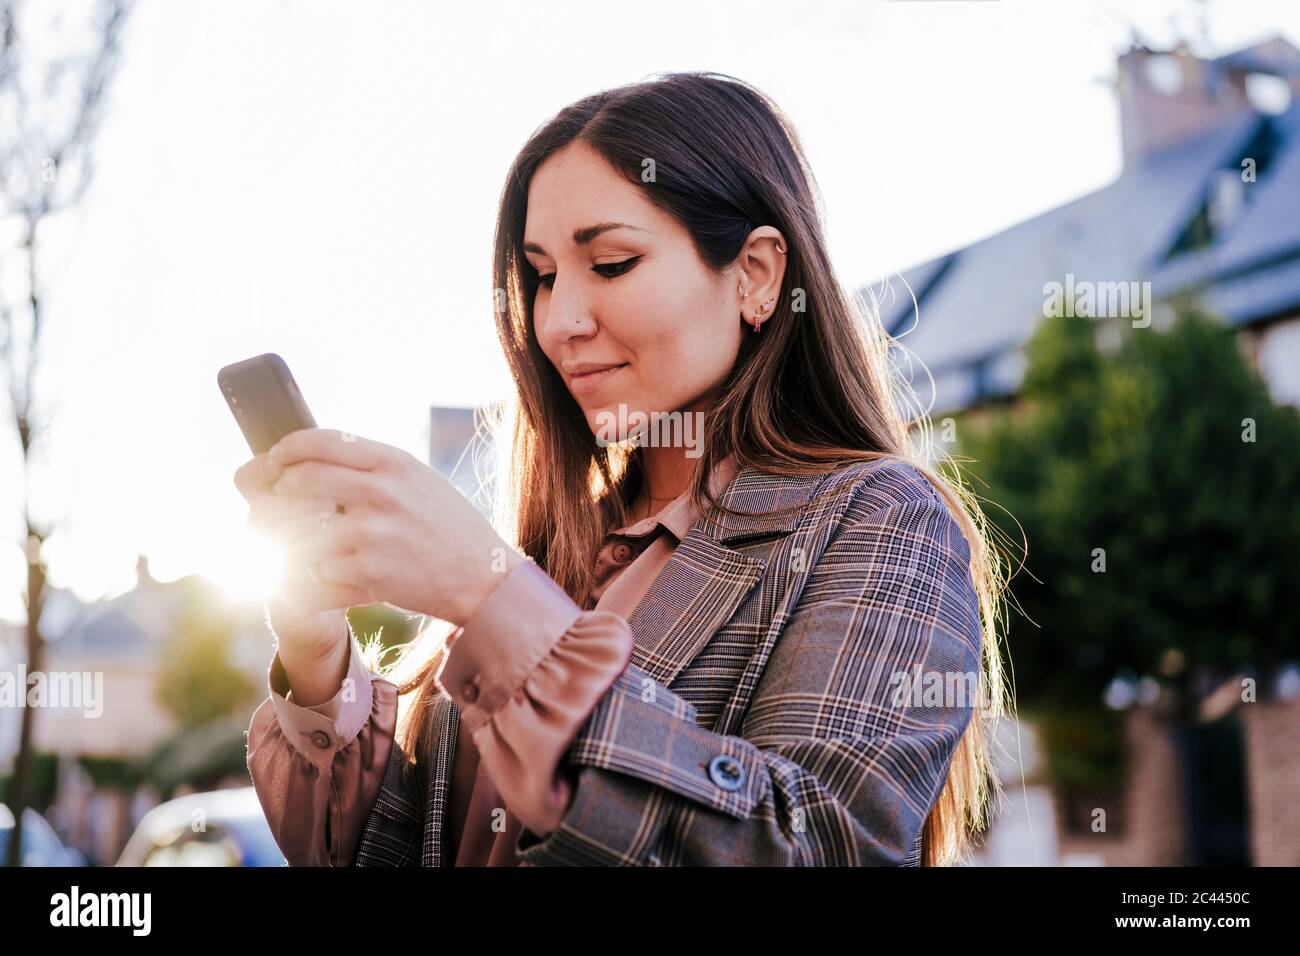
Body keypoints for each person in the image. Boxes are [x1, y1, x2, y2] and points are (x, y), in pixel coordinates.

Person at [236, 71, 1010, 867]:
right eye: (541, 277)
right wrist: (318, 654)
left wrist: (495, 597)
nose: (559, 323)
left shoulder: (878, 519)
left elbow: (811, 848)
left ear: (756, 275)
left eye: (609, 264)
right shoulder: (558, 555)